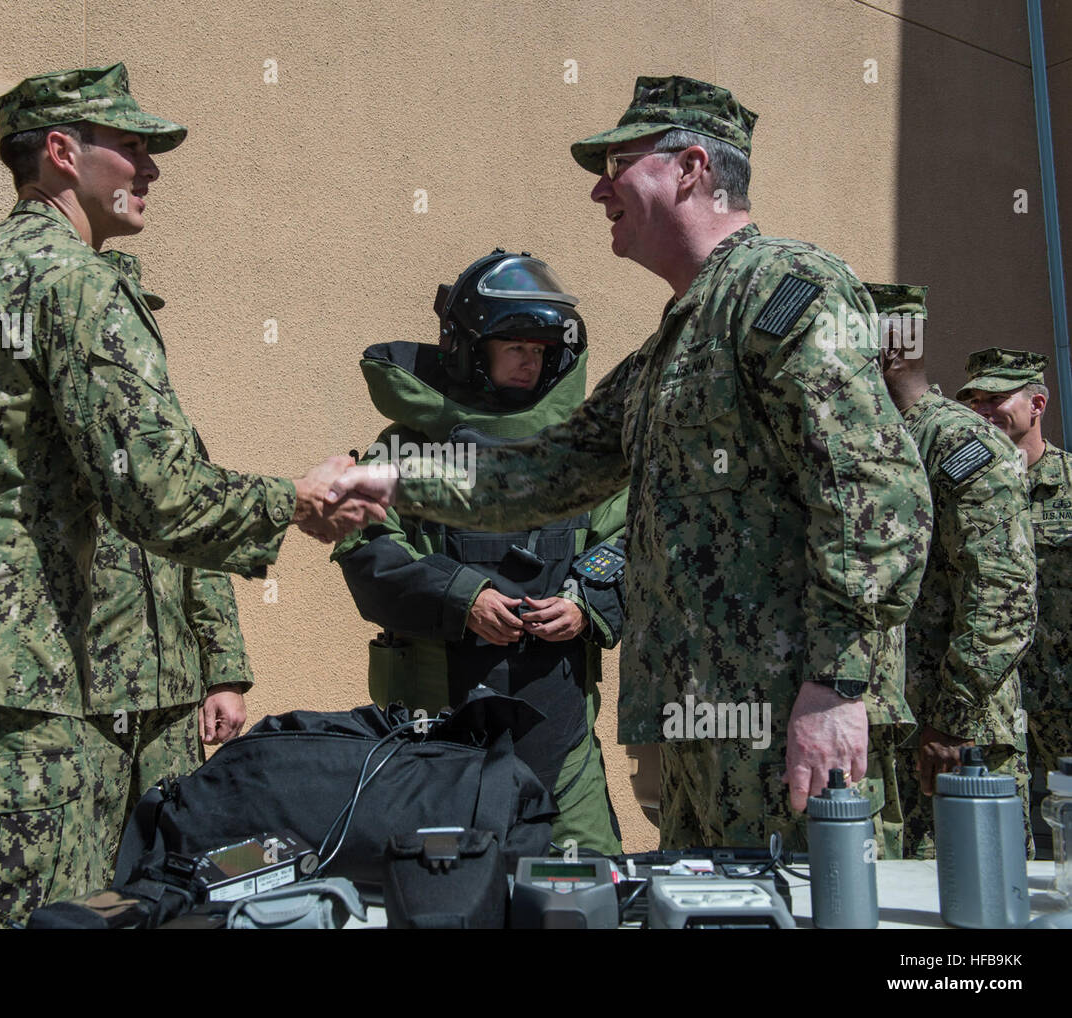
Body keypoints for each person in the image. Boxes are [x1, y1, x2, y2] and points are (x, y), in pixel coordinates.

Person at [0, 63, 381, 928]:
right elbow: (155, 490)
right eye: (131, 147)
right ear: (61, 153)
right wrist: (295, 502)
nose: (149, 168)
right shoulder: (77, 283)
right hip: (4, 694)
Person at [330, 75, 932, 850]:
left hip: (786, 721)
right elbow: (543, 475)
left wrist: (839, 686)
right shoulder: (667, 351)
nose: (598, 189)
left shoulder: (785, 291)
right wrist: (384, 480)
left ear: (690, 168)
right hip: (697, 732)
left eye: (618, 163)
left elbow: (878, 493)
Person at [332, 250, 627, 853]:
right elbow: (368, 550)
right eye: (514, 345)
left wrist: (585, 601)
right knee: (443, 896)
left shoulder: (578, 450)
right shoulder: (407, 449)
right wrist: (463, 598)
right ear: (469, 350)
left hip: (563, 735)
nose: (530, 361)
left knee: (590, 897)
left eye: (542, 350)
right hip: (434, 740)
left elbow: (628, 540)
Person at [85, 251, 254, 884]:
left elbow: (204, 559)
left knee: (173, 859)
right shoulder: (48, 424)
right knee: (86, 875)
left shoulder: (175, 435)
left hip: (173, 697)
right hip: (86, 699)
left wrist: (225, 675)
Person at [869, 285, 1036, 859]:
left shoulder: (960, 442)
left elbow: (1005, 596)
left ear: (888, 351)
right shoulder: (878, 439)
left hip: (959, 739)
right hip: (901, 727)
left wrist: (951, 719)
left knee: (977, 904)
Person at [958, 349, 1072, 777]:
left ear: (1037, 405)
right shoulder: (964, 492)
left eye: (995, 398)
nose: (982, 411)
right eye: (974, 401)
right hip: (995, 706)